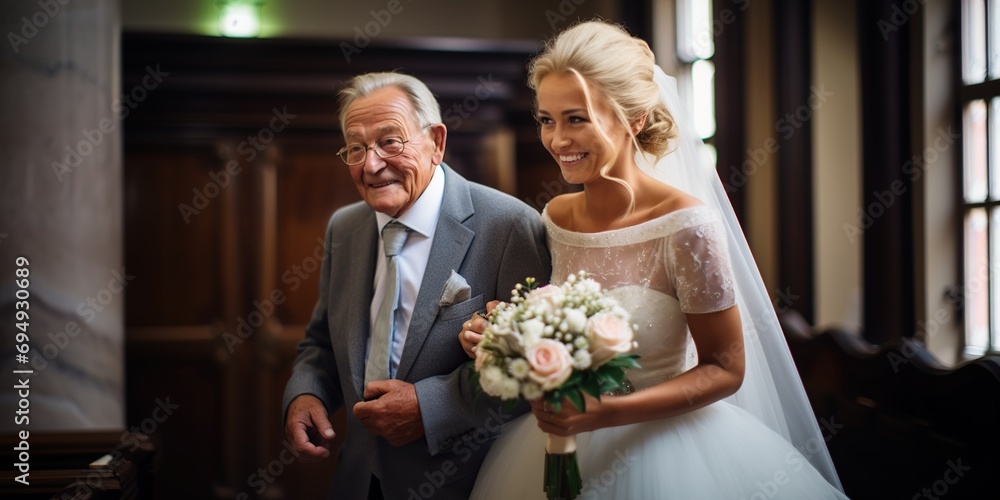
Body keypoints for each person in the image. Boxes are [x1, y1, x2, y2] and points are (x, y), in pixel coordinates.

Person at [458, 21, 849, 499]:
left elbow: (725, 369)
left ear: (635, 119)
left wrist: (604, 413)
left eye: (576, 118)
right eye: (546, 119)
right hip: (555, 447)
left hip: (672, 452)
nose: (558, 140)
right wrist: (503, 337)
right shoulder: (556, 218)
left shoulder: (686, 226)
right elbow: (553, 327)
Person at [282, 71, 550, 500]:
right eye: (355, 147)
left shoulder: (509, 226)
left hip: (461, 482)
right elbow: (321, 343)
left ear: (436, 142)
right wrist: (305, 394)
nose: (371, 164)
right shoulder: (344, 228)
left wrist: (431, 407)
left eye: (390, 142)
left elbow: (538, 370)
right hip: (356, 478)